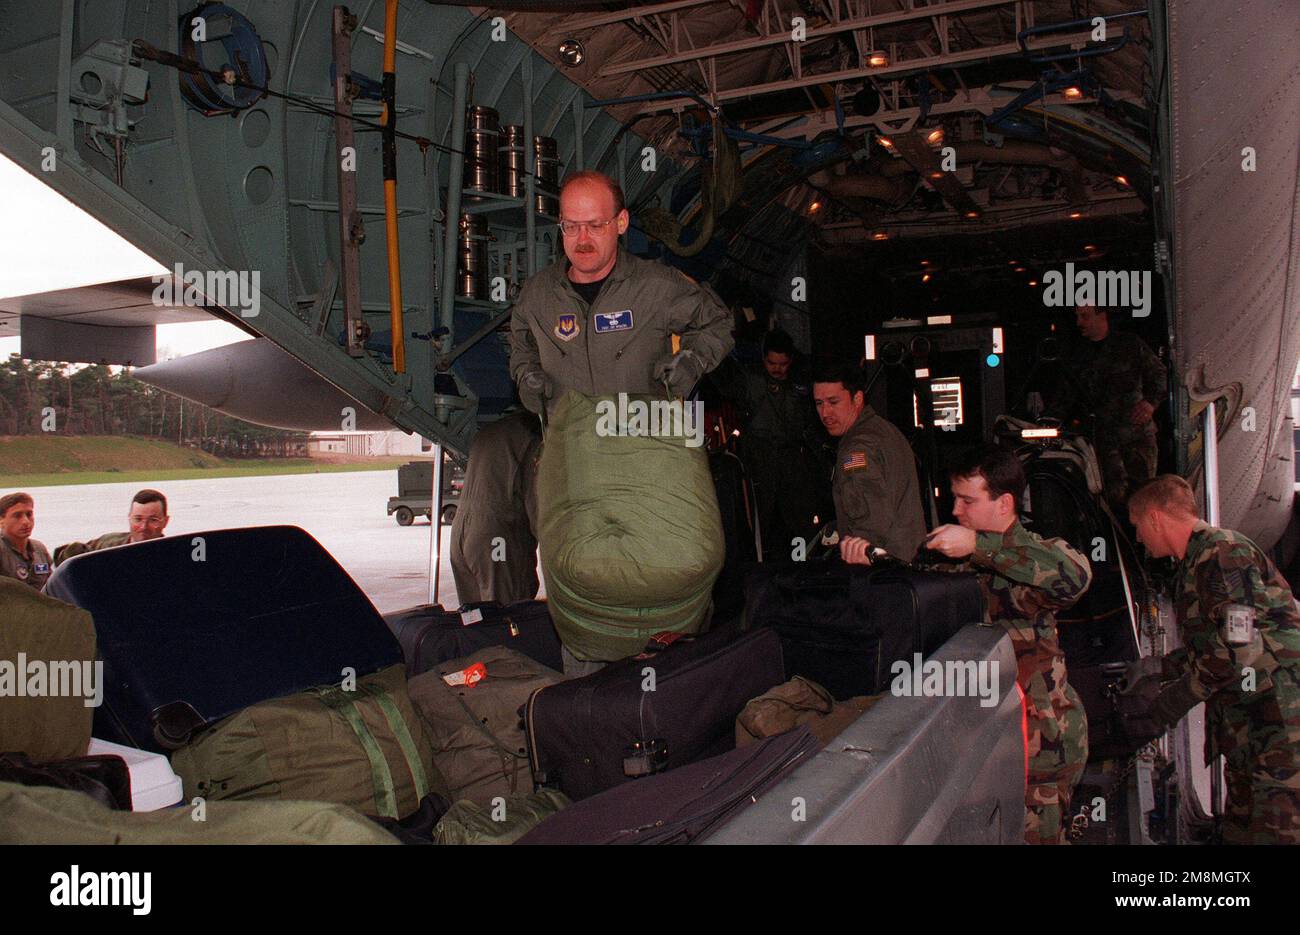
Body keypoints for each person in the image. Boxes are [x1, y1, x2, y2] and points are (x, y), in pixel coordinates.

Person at [845, 446, 1093, 844]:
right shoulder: (949, 559)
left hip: (1038, 748)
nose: (956, 511)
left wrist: (981, 547)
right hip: (971, 743)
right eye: (954, 498)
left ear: (1004, 503)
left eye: (968, 500)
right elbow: (916, 604)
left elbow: (1074, 578)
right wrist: (870, 569)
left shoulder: (1034, 555)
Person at [1118, 475, 1300, 843]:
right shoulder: (1199, 561)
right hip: (1250, 722)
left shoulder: (1223, 554)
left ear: (1155, 518)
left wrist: (1176, 698)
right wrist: (1160, 667)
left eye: (1138, 527)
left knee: (1274, 831)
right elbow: (1216, 641)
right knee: (1242, 829)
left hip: (1278, 722)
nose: (1138, 538)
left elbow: (1240, 646)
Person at [508, 170, 734, 411]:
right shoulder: (537, 294)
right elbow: (522, 346)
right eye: (571, 226)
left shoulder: (656, 286)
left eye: (595, 225)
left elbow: (718, 322)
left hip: (641, 444)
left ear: (621, 222)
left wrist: (690, 361)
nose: (582, 239)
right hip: (570, 446)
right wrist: (527, 374)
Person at [712, 329, 822, 561]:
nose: (777, 369)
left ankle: (805, 564)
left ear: (790, 361)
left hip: (792, 458)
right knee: (759, 520)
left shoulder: (802, 383)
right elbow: (721, 376)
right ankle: (759, 568)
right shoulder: (750, 382)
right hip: (758, 458)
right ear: (763, 360)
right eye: (772, 362)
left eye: (782, 363)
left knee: (801, 519)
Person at [1055, 302, 1166, 510]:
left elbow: (1159, 374)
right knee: (1110, 500)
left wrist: (1150, 403)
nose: (1079, 323)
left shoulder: (1129, 344)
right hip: (1102, 441)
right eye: (1077, 316)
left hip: (1136, 437)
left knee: (1143, 496)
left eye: (1085, 316)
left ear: (1102, 316)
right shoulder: (1078, 355)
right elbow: (1065, 396)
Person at [812, 362, 926, 562]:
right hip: (905, 563)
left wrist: (860, 555)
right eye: (819, 403)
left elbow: (869, 519)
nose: (825, 413)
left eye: (833, 402)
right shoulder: (885, 430)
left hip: (881, 570)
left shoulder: (858, 447)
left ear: (857, 399)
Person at [450, 410, 543, 605]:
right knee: (508, 618)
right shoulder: (533, 437)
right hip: (495, 535)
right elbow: (537, 505)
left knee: (476, 621)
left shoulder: (491, 431)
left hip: (461, 533)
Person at [53, 488, 170, 565]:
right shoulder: (107, 544)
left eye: (153, 520)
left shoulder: (174, 555)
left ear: (165, 521)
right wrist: (71, 552)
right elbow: (63, 559)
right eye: (138, 519)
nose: (144, 526)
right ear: (129, 518)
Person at [0, 492, 52, 590]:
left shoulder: (39, 550)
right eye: (17, 516)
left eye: (29, 514)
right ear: (1, 520)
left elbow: (52, 588)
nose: (26, 521)